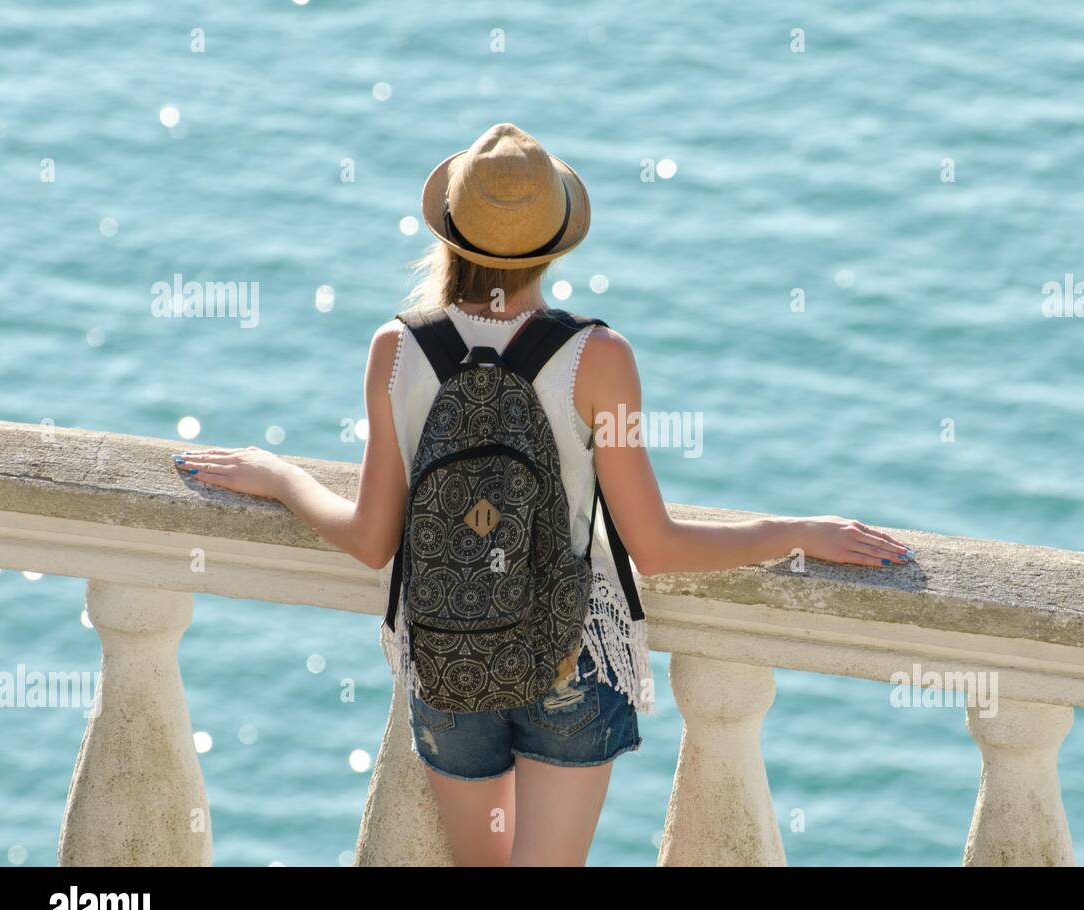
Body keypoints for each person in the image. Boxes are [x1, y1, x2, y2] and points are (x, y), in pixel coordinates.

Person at [171, 122, 914, 866]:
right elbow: (653, 546)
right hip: (571, 657)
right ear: (556, 243)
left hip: (448, 654)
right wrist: (789, 532)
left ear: (452, 233)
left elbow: (372, 538)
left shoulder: (396, 351)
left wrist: (280, 479)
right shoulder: (599, 359)